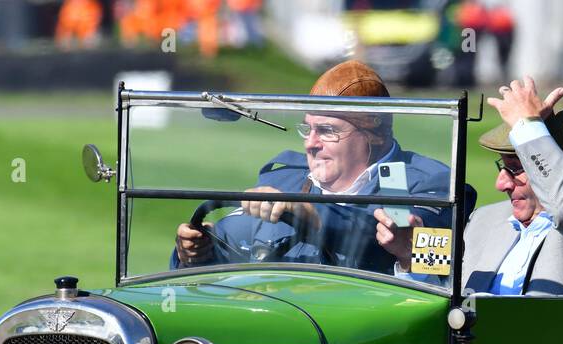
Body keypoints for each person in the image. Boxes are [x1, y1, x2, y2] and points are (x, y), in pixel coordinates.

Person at [173, 60, 471, 274]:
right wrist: (196, 252)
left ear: (373, 134)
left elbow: (437, 260)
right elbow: (235, 242)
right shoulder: (287, 176)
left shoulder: (414, 181)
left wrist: (312, 214)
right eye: (308, 129)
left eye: (327, 131)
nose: (310, 144)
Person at [376, 76, 563, 296]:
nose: (501, 183)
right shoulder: (486, 219)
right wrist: (412, 253)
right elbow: (444, 301)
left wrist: (528, 128)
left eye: (517, 168)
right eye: (503, 167)